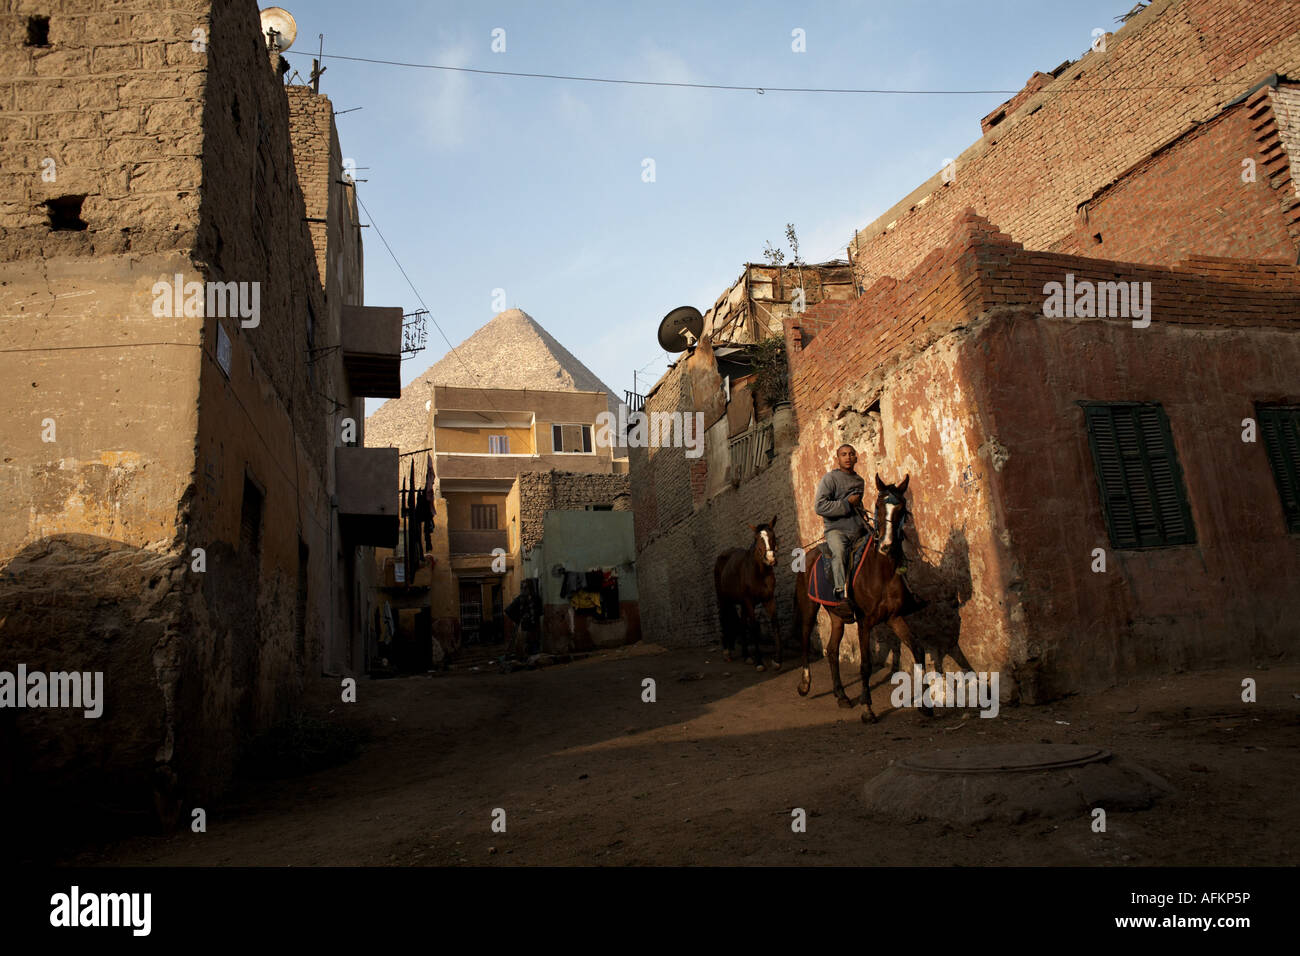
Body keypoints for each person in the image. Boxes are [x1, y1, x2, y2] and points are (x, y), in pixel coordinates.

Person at [814, 444, 868, 617]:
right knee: (839, 552)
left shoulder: (860, 481)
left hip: (858, 528)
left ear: (856, 458)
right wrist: (846, 504)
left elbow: (858, 505)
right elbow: (820, 506)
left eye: (851, 454)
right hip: (837, 530)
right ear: (838, 458)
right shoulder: (830, 479)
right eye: (844, 454)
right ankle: (841, 594)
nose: (848, 457)